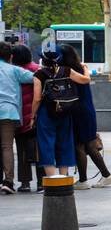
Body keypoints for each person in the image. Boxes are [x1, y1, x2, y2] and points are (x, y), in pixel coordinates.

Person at [61, 45, 111, 188]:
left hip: (77, 112)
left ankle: (84, 180)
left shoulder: (67, 71)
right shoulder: (81, 68)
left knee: (79, 145)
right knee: (89, 145)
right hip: (87, 111)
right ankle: (106, 176)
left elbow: (82, 82)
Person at [33, 42, 85, 181]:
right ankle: (64, 177)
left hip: (46, 113)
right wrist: (85, 69)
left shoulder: (39, 74)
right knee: (65, 142)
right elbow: (85, 80)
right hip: (65, 111)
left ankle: (52, 178)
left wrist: (32, 116)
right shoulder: (66, 70)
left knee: (46, 143)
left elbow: (37, 98)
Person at [0, 42, 35, 194]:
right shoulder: (15, 70)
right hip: (9, 112)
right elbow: (35, 77)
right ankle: (8, 181)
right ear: (11, 57)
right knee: (7, 146)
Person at [9, 45, 40, 191]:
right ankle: (42, 181)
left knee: (21, 151)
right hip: (37, 116)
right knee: (39, 150)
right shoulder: (37, 69)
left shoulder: (13, 71)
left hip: (19, 116)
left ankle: (25, 183)